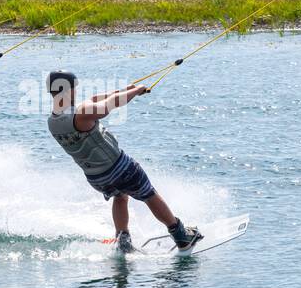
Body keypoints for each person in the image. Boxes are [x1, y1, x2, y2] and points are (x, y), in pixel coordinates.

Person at [46, 70, 201, 253]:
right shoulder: (80, 115)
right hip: (120, 167)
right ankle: (181, 236)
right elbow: (107, 106)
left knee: (120, 197)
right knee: (149, 194)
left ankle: (123, 240)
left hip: (96, 178)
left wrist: (123, 90)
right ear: (69, 90)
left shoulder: (53, 120)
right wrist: (136, 91)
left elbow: (95, 99)